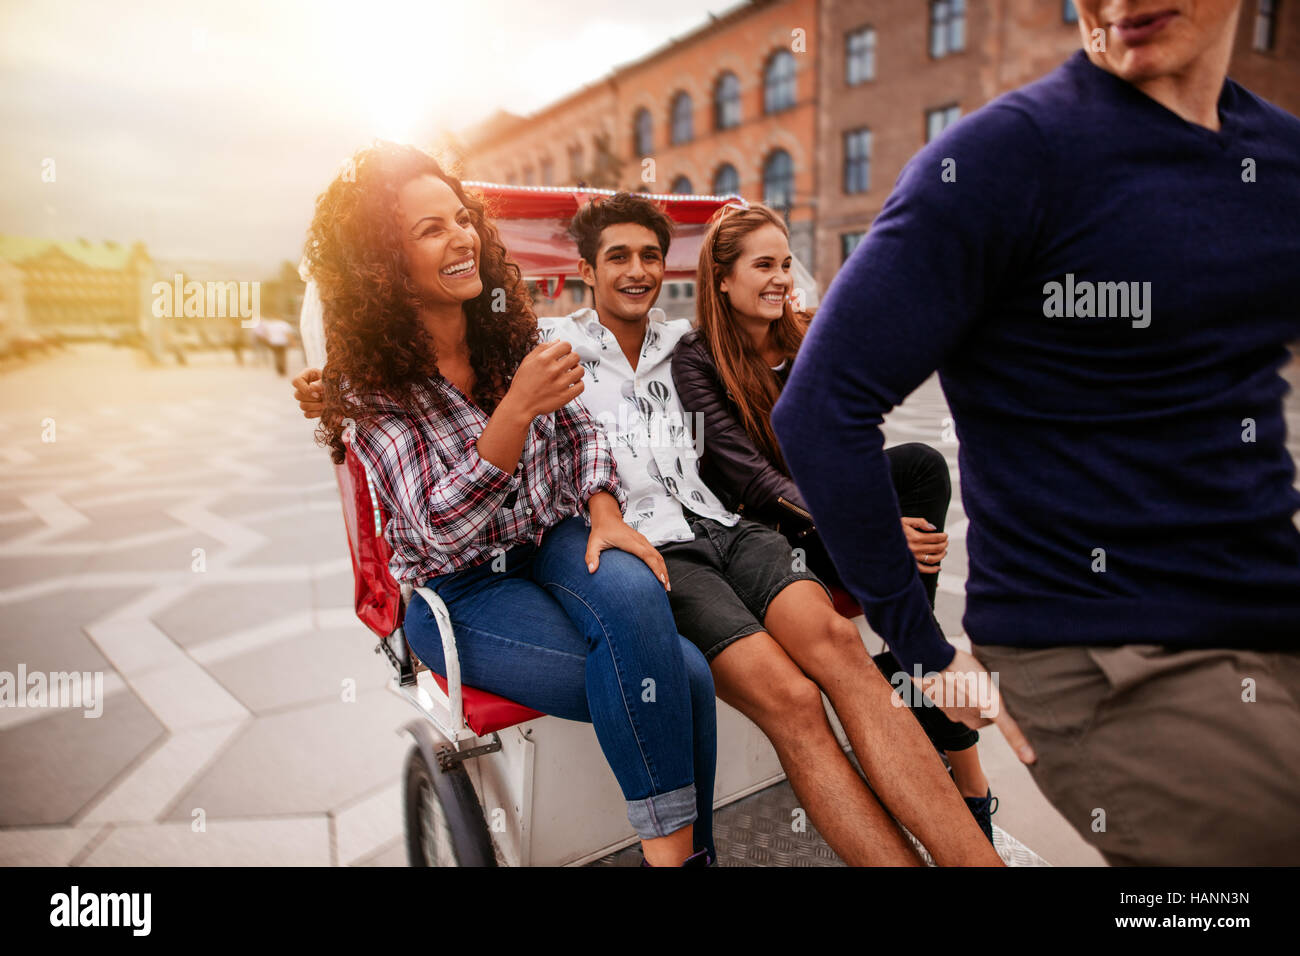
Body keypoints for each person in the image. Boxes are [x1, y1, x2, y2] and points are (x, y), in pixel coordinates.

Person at [296, 192, 1002, 866]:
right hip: (656, 552)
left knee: (840, 646)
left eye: (650, 257)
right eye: (618, 257)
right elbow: (449, 366)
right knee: (790, 699)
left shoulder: (687, 343)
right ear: (586, 272)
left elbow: (776, 331)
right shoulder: (545, 341)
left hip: (730, 527)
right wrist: (331, 382)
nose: (637, 271)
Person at [772, 0, 1300, 865]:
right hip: (1105, 647)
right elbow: (821, 408)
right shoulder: (1002, 160)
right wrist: (924, 649)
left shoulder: (1280, 161)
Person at [305, 143, 716, 866]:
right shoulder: (366, 393)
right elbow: (436, 529)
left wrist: (605, 510)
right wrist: (514, 413)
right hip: (459, 592)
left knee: (647, 612)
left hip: (553, 539)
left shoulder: (507, 334)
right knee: (679, 676)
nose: (460, 238)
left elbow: (583, 427)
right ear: (380, 264)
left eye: (461, 220)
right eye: (428, 230)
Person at [670, 203, 998, 841]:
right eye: (762, 265)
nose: (779, 278)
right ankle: (940, 723)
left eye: (785, 264)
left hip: (831, 512)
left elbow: (854, 427)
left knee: (922, 464)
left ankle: (907, 658)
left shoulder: (804, 339)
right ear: (721, 279)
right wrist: (867, 525)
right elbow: (747, 479)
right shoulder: (696, 359)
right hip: (775, 533)